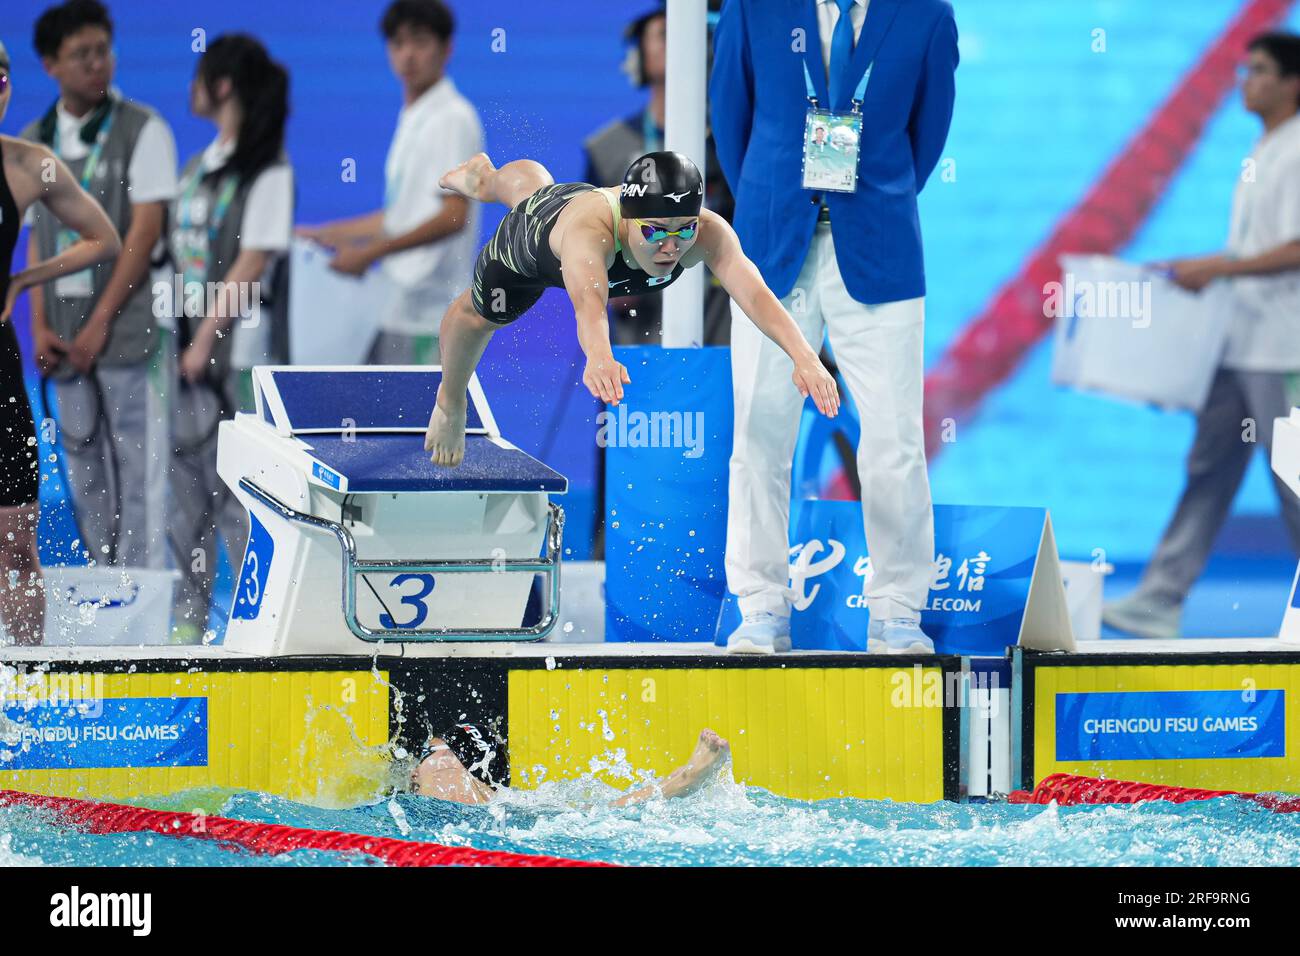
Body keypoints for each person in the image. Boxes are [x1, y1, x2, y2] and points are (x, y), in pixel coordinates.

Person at [710, 0, 958, 655]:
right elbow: (730, 125)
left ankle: (898, 611)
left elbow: (927, 138)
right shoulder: (754, 8)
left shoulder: (927, 14)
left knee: (895, 438)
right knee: (758, 436)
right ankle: (760, 607)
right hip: (771, 251)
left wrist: (870, 197)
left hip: (880, 249)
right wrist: (777, 204)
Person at [422, 149, 840, 468]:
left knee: (538, 190)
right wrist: (600, 357)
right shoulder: (592, 237)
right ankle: (451, 399)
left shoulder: (708, 233)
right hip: (536, 245)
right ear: (628, 220)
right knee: (480, 315)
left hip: (572, 205)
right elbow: (589, 305)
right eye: (657, 231)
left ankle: (489, 177)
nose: (673, 246)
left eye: (684, 229)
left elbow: (755, 293)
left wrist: (805, 357)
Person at [1103, 32, 1300, 641]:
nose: (1246, 79)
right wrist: (1201, 264)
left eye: (1260, 70)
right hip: (1238, 345)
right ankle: (1160, 599)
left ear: (1293, 83)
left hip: (1284, 351)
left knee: (1295, 481)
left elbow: (1294, 250)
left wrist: (1216, 269)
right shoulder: (1265, 146)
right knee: (1208, 471)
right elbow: (1254, 249)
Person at [21, 0, 178, 571]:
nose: (96, 64)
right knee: (82, 468)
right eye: (80, 55)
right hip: (62, 342)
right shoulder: (33, 143)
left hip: (128, 334)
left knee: (140, 474)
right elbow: (36, 242)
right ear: (49, 65)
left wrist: (100, 324)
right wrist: (38, 324)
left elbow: (145, 231)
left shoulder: (144, 130)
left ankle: (144, 610)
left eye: (102, 51)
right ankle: (105, 600)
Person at [166, 34, 293, 641]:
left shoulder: (269, 172)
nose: (190, 88)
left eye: (200, 76)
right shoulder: (198, 167)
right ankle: (186, 630)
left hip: (238, 359)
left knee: (242, 496)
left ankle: (257, 631)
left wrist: (206, 338)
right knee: (186, 495)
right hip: (187, 355)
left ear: (221, 87)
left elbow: (253, 263)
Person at [0, 38, 122, 644]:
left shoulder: (26, 166)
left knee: (17, 548)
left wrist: (23, 278)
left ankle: (22, 692)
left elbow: (103, 237)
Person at [296, 0, 482, 367]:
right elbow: (404, 213)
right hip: (399, 306)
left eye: (420, 42)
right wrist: (331, 234)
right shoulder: (415, 114)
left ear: (447, 48)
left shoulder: (451, 117)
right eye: (397, 44)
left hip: (431, 314)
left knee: (423, 424)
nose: (408, 55)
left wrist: (371, 252)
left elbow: (454, 215)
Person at [411, 723, 732, 807]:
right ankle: (673, 784)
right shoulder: (511, 799)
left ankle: (677, 783)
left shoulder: (444, 773)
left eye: (430, 751)